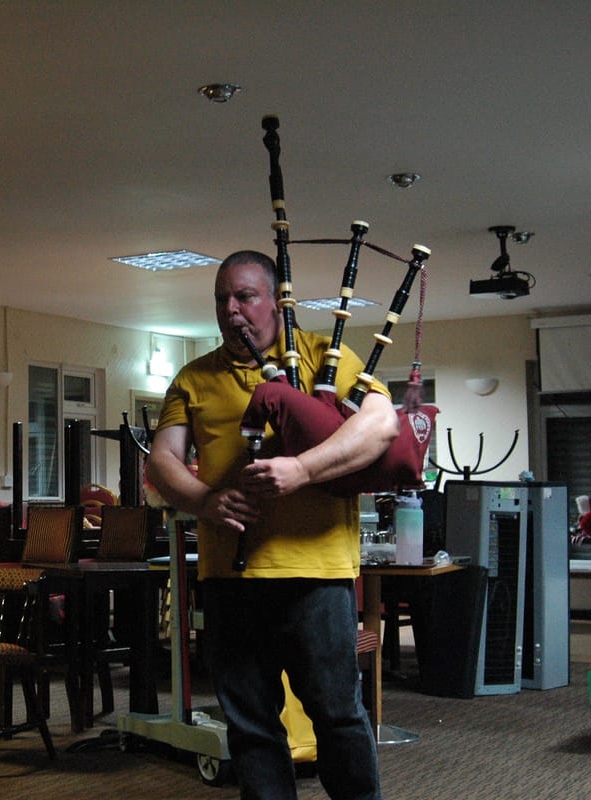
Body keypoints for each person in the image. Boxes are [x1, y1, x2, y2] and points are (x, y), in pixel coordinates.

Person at [146, 250, 399, 800]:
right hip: (231, 581)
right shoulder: (195, 377)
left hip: (318, 575)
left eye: (244, 296)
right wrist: (206, 501)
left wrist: (302, 469)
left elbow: (382, 424)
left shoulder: (321, 356)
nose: (231, 310)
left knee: (337, 715)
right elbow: (161, 461)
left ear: (277, 299)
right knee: (253, 727)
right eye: (221, 300)